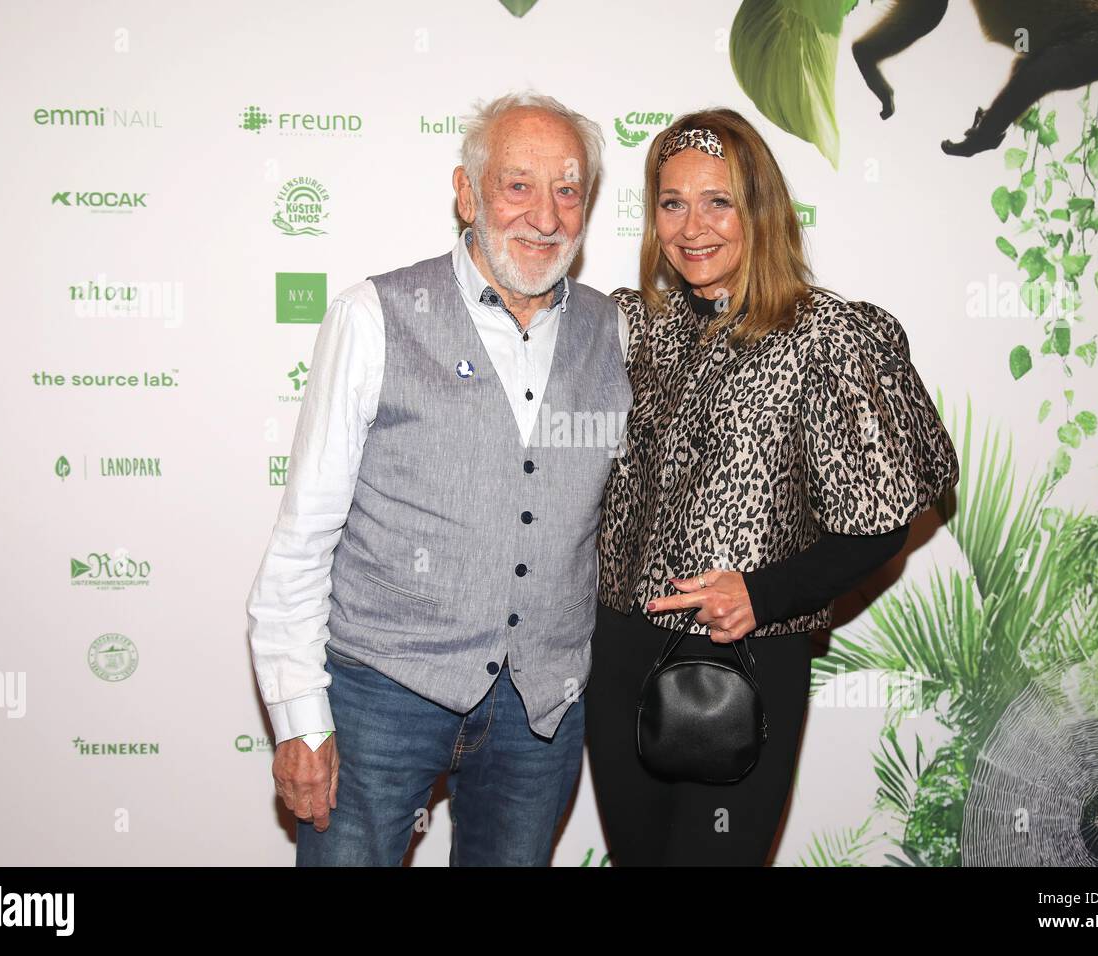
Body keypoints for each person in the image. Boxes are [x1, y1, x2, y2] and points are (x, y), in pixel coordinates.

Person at [246, 91, 631, 866]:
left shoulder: (616, 329)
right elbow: (304, 536)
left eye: (568, 189)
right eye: (517, 185)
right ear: (467, 192)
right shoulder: (374, 315)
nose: (546, 216)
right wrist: (298, 719)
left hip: (540, 714)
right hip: (379, 698)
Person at [585, 108, 960, 866]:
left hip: (739, 661)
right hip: (616, 656)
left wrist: (763, 592)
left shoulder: (822, 333)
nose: (693, 226)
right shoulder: (629, 327)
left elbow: (883, 520)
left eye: (718, 201)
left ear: (760, 210)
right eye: (672, 202)